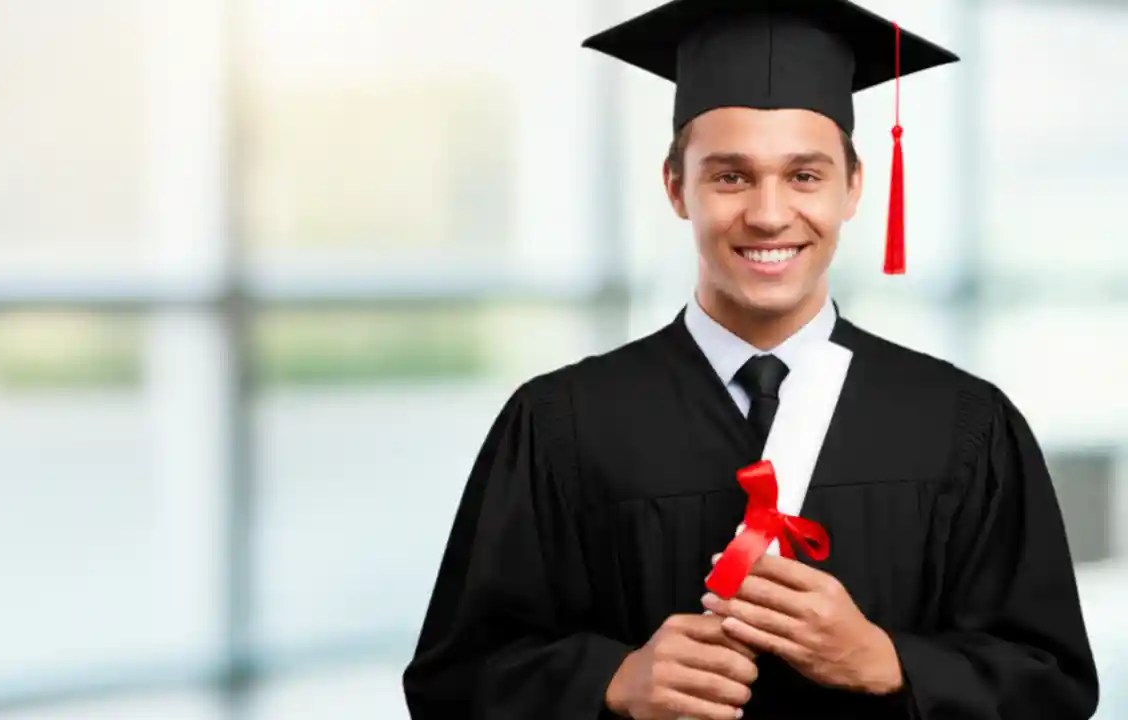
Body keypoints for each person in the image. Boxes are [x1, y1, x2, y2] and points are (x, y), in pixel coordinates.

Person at [401, 0, 1099, 717]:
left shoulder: (963, 425)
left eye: (805, 175)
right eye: (730, 176)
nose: (768, 214)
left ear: (853, 187)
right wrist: (609, 682)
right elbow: (454, 682)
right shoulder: (561, 425)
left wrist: (889, 663)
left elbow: (1052, 684)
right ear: (677, 188)